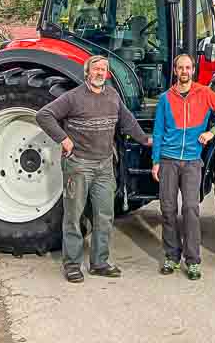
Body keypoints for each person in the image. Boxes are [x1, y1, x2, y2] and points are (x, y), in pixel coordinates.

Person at [35, 55, 152, 283]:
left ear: (107, 74)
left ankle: (99, 262)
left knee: (105, 215)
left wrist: (146, 140)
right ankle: (72, 265)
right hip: (79, 165)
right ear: (87, 73)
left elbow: (128, 122)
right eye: (96, 69)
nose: (100, 73)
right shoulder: (73, 97)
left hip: (104, 166)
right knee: (74, 216)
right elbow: (44, 115)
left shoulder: (113, 96)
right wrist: (64, 139)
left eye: (103, 70)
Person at [152, 53, 215, 280]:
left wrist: (212, 132)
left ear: (193, 70)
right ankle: (171, 256)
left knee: (190, 209)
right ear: (176, 71)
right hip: (168, 160)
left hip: (191, 162)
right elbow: (158, 131)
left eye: (188, 68)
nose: (184, 71)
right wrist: (155, 161)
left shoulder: (205, 93)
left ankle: (193, 260)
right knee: (168, 210)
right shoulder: (165, 99)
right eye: (180, 68)